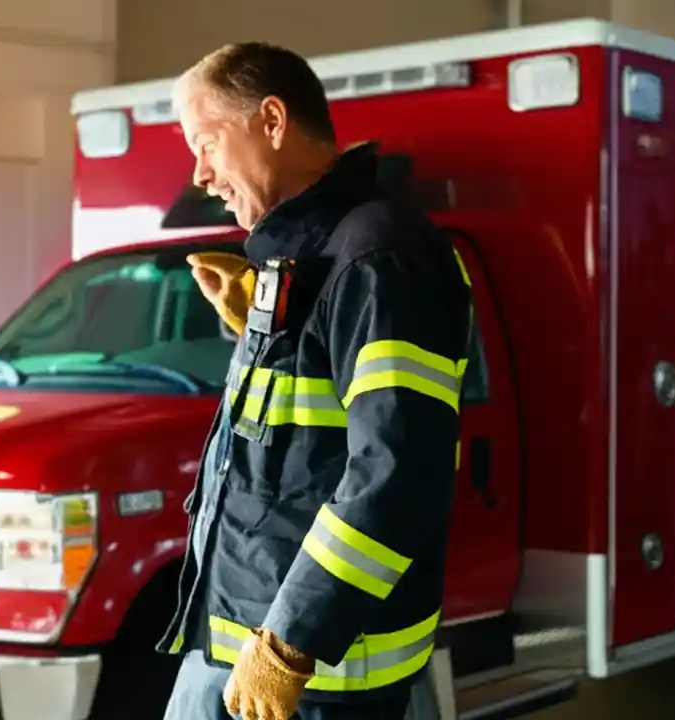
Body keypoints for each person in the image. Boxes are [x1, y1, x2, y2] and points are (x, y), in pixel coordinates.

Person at [156, 43, 472, 720]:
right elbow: (304, 441)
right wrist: (262, 337)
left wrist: (292, 641)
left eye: (205, 143)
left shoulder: (377, 258)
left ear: (272, 121)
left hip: (316, 674)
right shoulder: (312, 253)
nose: (200, 174)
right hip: (237, 641)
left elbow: (399, 473)